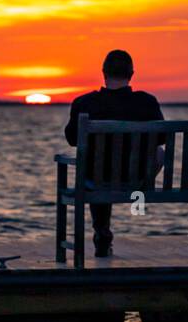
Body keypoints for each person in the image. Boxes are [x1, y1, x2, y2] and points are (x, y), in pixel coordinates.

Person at [64, 49, 164, 256]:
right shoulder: (147, 102)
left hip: (96, 181)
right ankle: (143, 185)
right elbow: (162, 138)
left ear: (104, 73)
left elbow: (73, 140)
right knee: (159, 152)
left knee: (95, 173)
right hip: (134, 180)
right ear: (132, 74)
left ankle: (102, 233)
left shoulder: (84, 103)